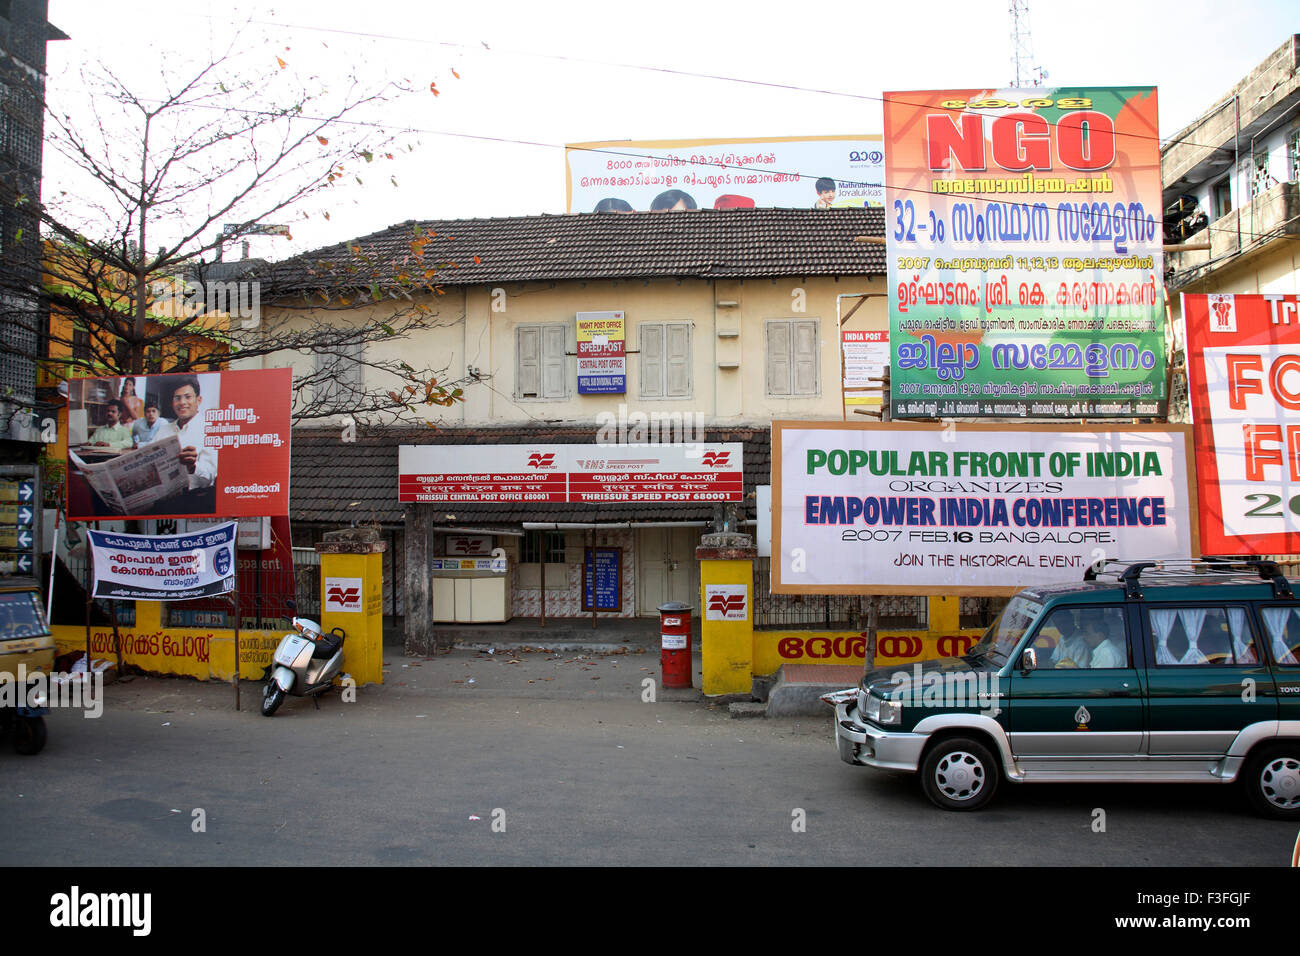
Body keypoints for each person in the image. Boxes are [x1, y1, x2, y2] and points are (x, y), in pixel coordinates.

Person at [170, 375, 218, 489]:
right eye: (177, 398)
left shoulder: (210, 430)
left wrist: (193, 467)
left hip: (193, 499)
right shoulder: (162, 430)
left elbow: (210, 477)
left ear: (198, 400)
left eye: (188, 397)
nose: (182, 402)